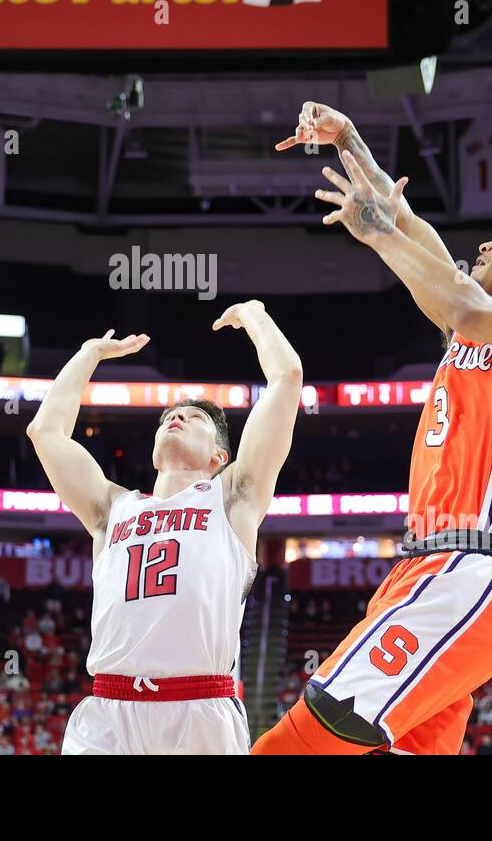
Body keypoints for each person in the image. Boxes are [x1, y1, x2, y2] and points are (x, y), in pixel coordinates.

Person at [254, 102, 492, 756]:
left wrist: (380, 236)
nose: (486, 244)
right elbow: (407, 222)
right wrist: (347, 137)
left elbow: (456, 299)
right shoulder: (474, 319)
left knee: (294, 745)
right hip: (422, 570)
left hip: (469, 572)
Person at [26, 301, 302, 754]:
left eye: (195, 419)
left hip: (200, 709)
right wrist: (89, 354)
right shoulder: (111, 508)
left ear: (219, 457)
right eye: (169, 417)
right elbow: (46, 432)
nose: (177, 416)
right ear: (154, 452)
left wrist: (253, 315)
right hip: (108, 711)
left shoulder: (232, 497)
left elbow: (287, 378)